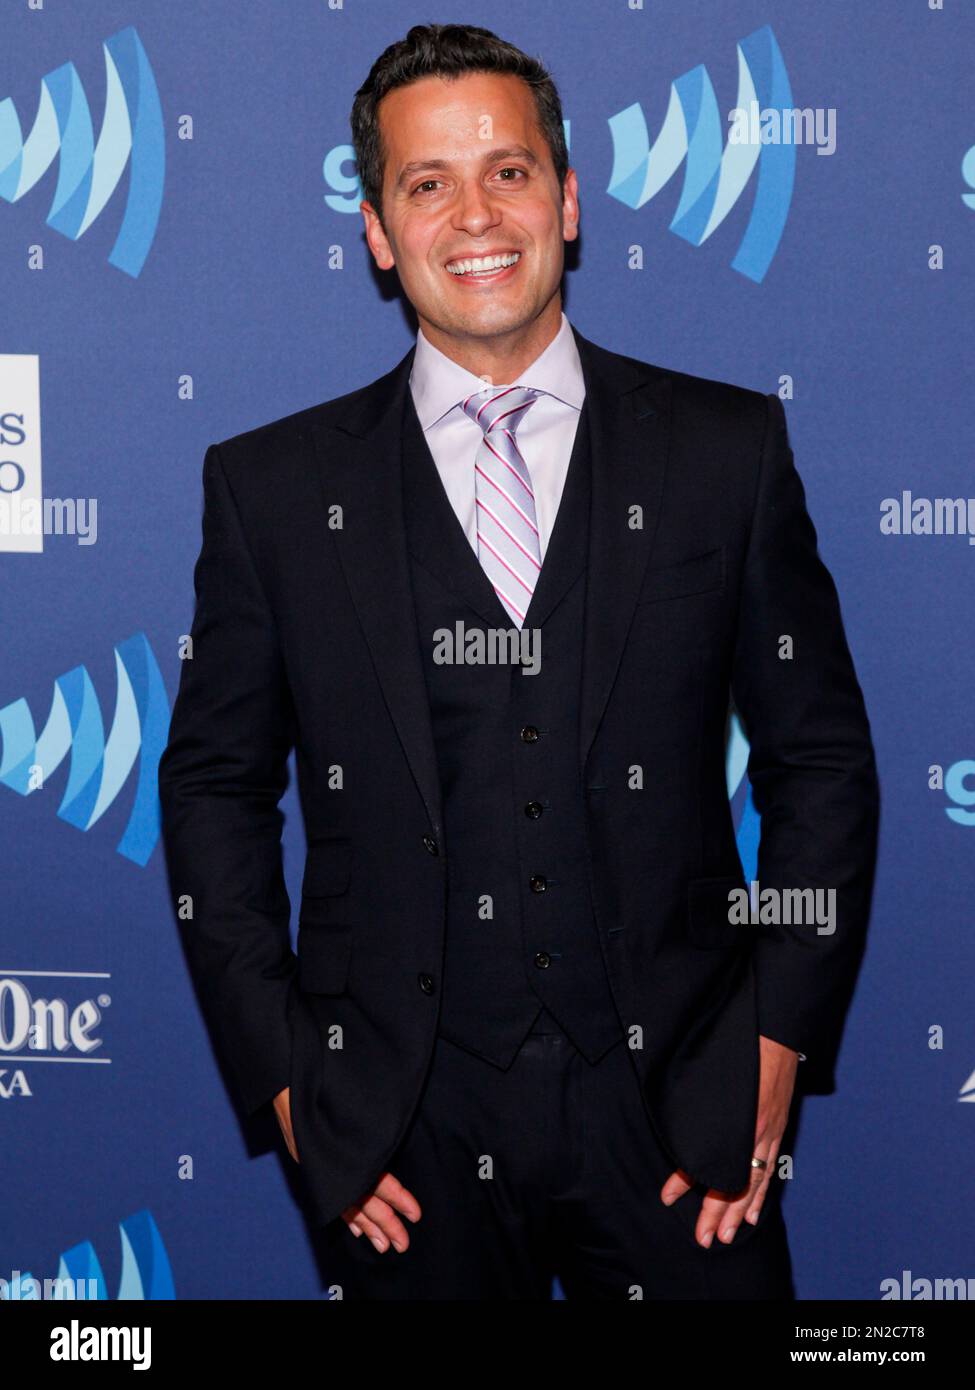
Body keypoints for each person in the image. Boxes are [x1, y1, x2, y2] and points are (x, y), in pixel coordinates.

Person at [157, 23, 880, 1300]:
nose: (475, 214)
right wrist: (287, 1081)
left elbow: (818, 759)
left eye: (509, 169)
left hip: (677, 1114)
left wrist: (776, 1044)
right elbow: (214, 789)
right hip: (400, 1124)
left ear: (569, 199)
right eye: (427, 182)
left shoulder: (725, 451)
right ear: (379, 228)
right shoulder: (271, 489)